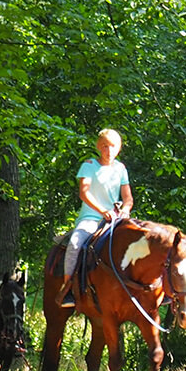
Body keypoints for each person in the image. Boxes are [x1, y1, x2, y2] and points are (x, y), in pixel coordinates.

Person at [56, 128, 134, 308]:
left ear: (119, 148)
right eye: (105, 146)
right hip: (91, 218)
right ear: (99, 147)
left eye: (113, 146)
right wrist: (102, 210)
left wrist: (126, 209)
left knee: (137, 241)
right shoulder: (89, 166)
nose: (109, 150)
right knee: (75, 244)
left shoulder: (121, 169)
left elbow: (128, 197)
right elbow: (84, 193)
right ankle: (68, 288)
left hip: (115, 219)